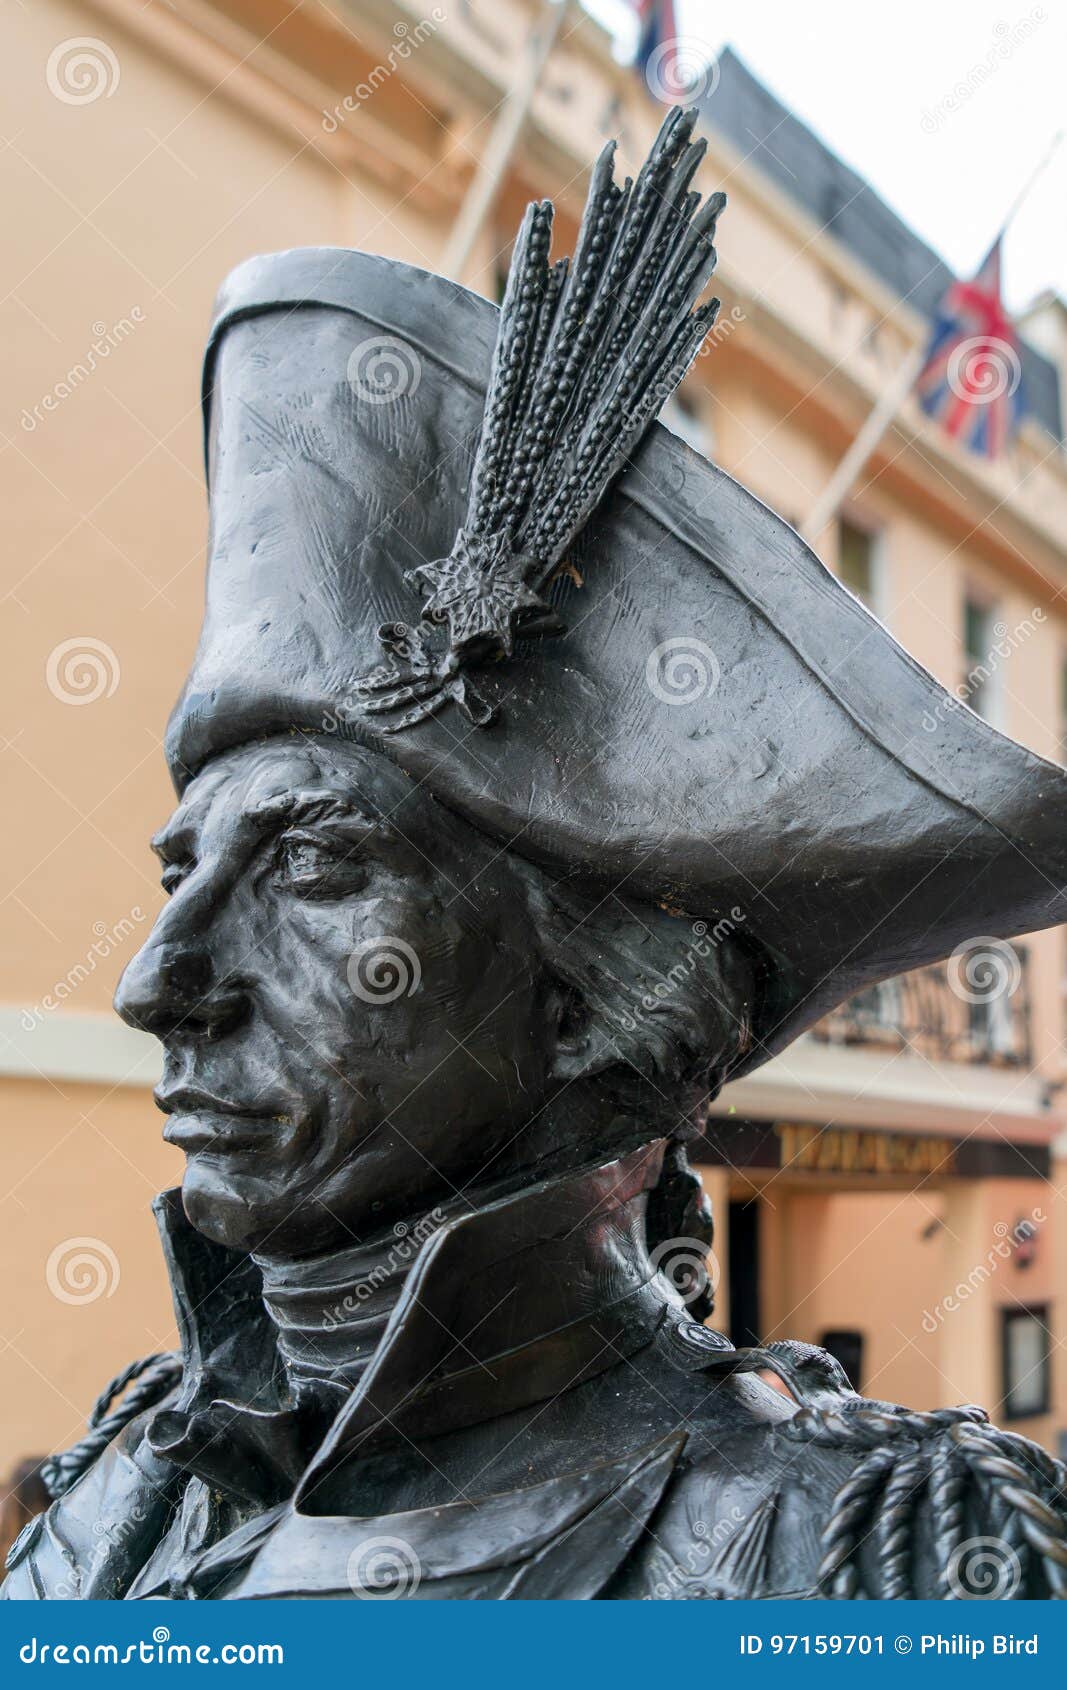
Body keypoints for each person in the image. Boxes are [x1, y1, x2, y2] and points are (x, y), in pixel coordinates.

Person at [6, 110, 1067, 1601]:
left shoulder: (873, 1569)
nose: (158, 980)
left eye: (310, 870)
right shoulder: (118, 1515)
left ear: (589, 997)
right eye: (182, 873)